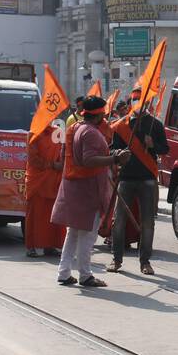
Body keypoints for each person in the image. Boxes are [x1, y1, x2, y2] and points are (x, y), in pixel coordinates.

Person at [51, 95, 129, 287]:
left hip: (75, 187)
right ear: (99, 115)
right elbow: (88, 160)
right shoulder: (91, 133)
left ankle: (63, 272)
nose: (105, 117)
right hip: (87, 189)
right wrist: (115, 159)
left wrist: (112, 155)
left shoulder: (75, 128)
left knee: (74, 233)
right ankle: (85, 275)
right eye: (103, 114)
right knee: (88, 233)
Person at [106, 93, 169, 276]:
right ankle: (116, 259)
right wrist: (119, 153)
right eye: (135, 100)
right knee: (118, 221)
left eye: (142, 100)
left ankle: (145, 262)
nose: (139, 103)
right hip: (125, 178)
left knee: (148, 222)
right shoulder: (121, 125)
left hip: (147, 178)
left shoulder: (155, 124)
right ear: (130, 103)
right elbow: (111, 149)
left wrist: (153, 145)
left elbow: (165, 148)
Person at [24, 120, 66, 258]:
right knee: (34, 215)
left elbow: (64, 152)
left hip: (53, 180)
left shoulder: (58, 132)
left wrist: (61, 163)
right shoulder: (33, 134)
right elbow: (33, 159)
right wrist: (52, 164)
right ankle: (31, 246)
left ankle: (51, 246)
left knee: (52, 215)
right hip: (38, 180)